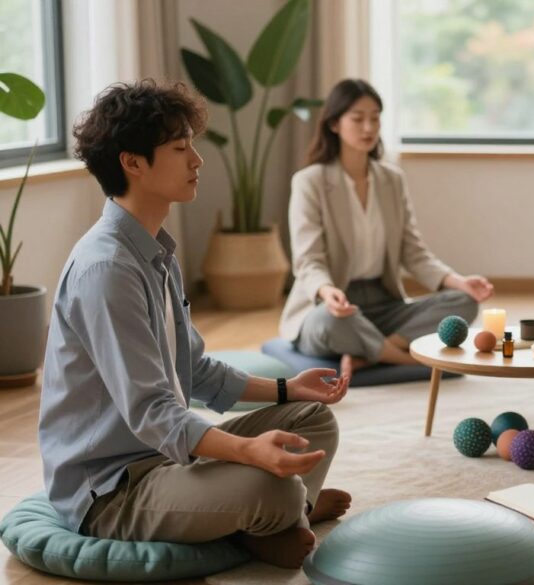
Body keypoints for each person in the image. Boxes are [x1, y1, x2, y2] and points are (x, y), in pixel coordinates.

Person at [40, 80, 352, 569]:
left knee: (313, 421)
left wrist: (289, 389)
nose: (197, 161)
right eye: (180, 148)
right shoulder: (107, 270)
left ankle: (286, 512)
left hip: (166, 457)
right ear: (133, 162)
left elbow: (196, 371)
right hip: (113, 489)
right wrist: (247, 451)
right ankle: (283, 512)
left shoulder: (155, 249)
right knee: (269, 484)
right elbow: (152, 411)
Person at [280, 79, 492, 378]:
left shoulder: (392, 180)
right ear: (334, 124)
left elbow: (413, 252)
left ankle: (373, 352)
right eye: (357, 118)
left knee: (463, 304)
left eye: (375, 118)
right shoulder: (310, 182)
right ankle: (404, 358)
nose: (368, 127)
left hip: (385, 304)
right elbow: (308, 260)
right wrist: (328, 292)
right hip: (334, 305)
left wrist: (459, 282)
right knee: (330, 323)